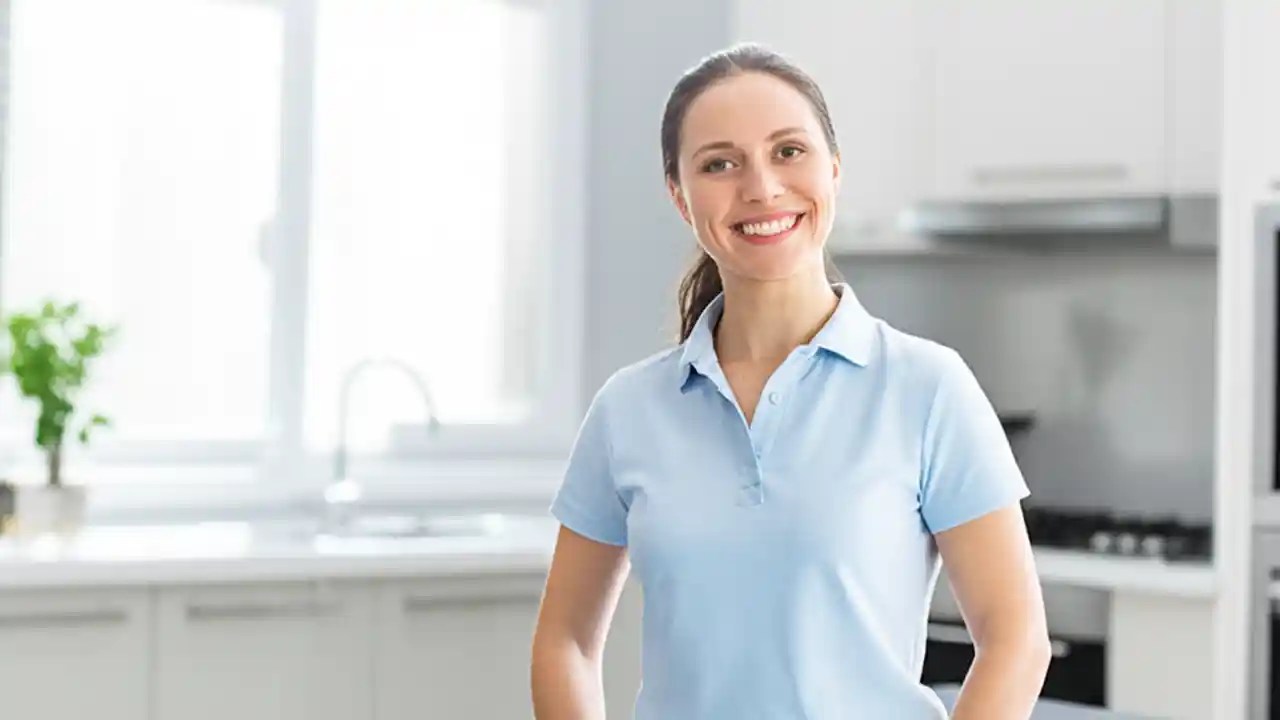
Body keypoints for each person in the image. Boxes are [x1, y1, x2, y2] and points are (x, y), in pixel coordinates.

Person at [531, 43, 1050, 719]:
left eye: (788, 152)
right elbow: (565, 641)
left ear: (833, 171)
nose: (761, 188)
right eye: (720, 163)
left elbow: (1017, 640)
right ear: (680, 198)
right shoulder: (628, 409)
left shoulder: (927, 387)